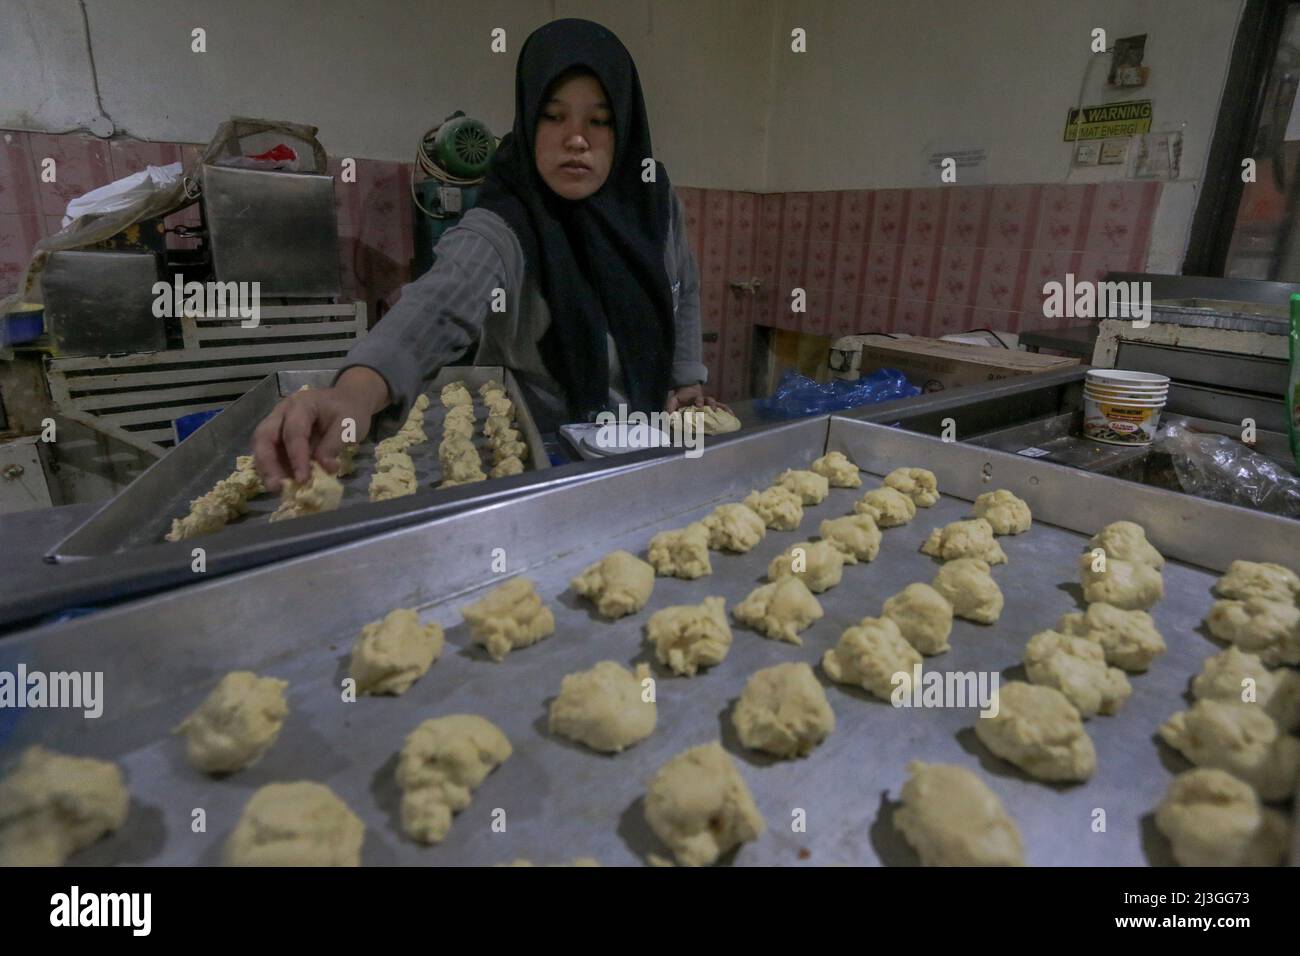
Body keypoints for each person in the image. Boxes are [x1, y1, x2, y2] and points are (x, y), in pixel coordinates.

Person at [253, 17, 723, 492]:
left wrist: (685, 379)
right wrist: (355, 390)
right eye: (553, 116)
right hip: (538, 455)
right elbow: (443, 299)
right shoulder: (510, 219)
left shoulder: (652, 202)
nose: (576, 139)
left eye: (599, 121)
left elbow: (681, 288)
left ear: (625, 125)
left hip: (644, 442)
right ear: (528, 115)